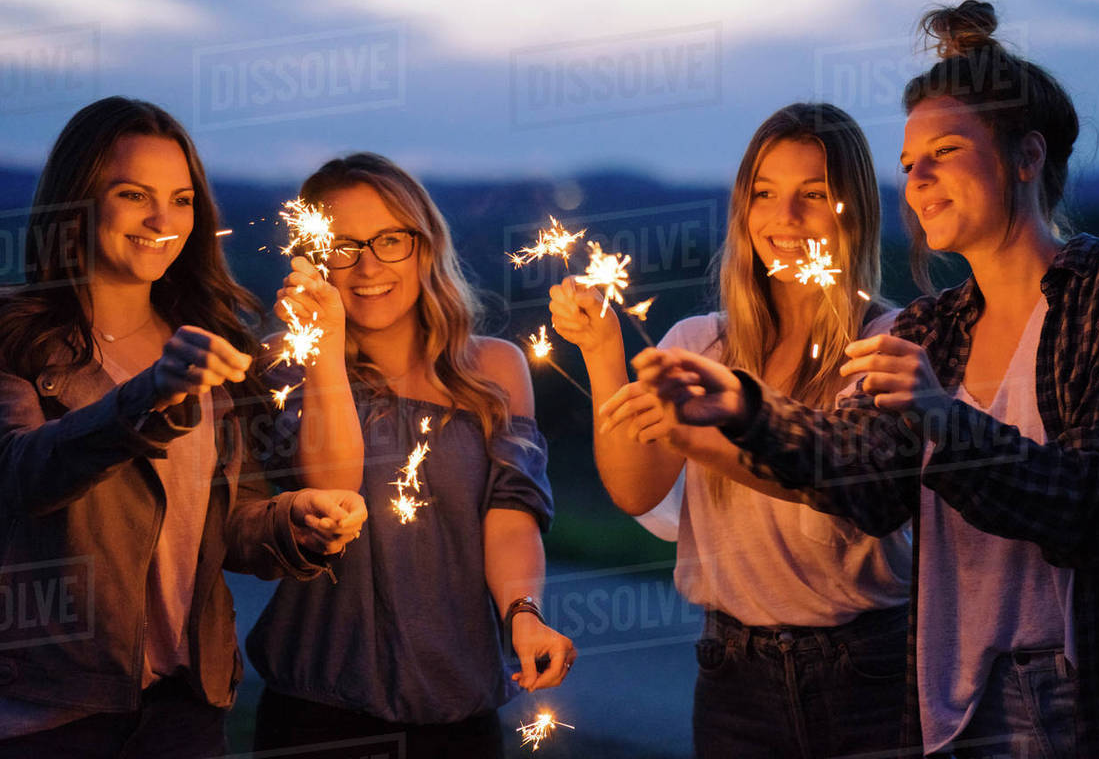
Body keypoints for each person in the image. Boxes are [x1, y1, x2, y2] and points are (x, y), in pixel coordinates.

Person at [629, 0, 1099, 758]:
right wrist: (747, 409)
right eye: (907, 164)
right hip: (949, 698)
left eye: (945, 151)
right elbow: (868, 485)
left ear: (1027, 157)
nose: (918, 179)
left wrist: (943, 418)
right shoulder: (937, 327)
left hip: (1086, 690)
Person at [0, 97, 367, 758]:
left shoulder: (210, 345)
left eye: (181, 198)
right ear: (78, 200)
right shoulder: (17, 337)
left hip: (185, 713)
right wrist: (148, 393)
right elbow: (22, 477)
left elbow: (231, 523)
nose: (161, 220)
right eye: (133, 193)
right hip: (50, 712)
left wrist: (295, 520)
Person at [549, 103, 911, 758]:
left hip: (871, 671)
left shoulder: (888, 344)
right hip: (732, 671)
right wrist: (603, 351)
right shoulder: (700, 345)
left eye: (814, 195)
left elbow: (840, 483)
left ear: (852, 210)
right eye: (764, 194)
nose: (785, 217)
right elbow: (636, 492)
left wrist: (701, 437)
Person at [248, 152, 576, 759]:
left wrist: (523, 613)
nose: (367, 265)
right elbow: (331, 490)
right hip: (313, 709)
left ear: (424, 247)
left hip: (457, 711)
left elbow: (511, 513)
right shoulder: (284, 362)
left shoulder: (495, 369)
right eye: (342, 246)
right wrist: (325, 347)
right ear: (313, 256)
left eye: (389, 240)